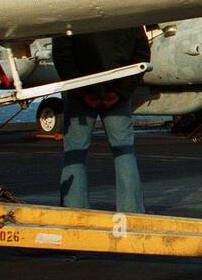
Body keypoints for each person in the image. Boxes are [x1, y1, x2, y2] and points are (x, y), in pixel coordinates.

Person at [53, 27, 150, 214]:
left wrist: (82, 92)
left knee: (75, 152)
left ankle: (74, 211)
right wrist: (120, 92)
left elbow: (61, 53)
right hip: (117, 95)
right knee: (124, 152)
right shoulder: (126, 15)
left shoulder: (72, 12)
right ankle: (132, 211)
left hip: (80, 94)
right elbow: (142, 53)